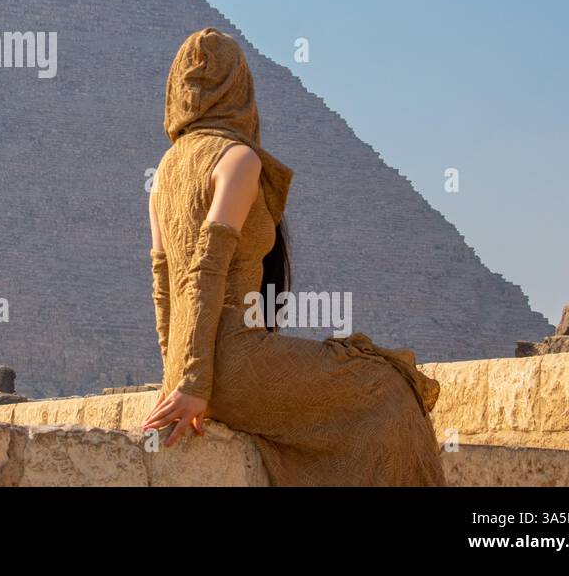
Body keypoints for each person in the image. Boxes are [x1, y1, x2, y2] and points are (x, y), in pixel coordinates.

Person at [142, 28, 447, 486]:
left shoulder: (163, 173)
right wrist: (193, 384)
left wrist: (177, 378)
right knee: (389, 390)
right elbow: (207, 271)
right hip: (234, 366)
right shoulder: (237, 160)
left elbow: (164, 289)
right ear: (239, 87)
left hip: (198, 374)